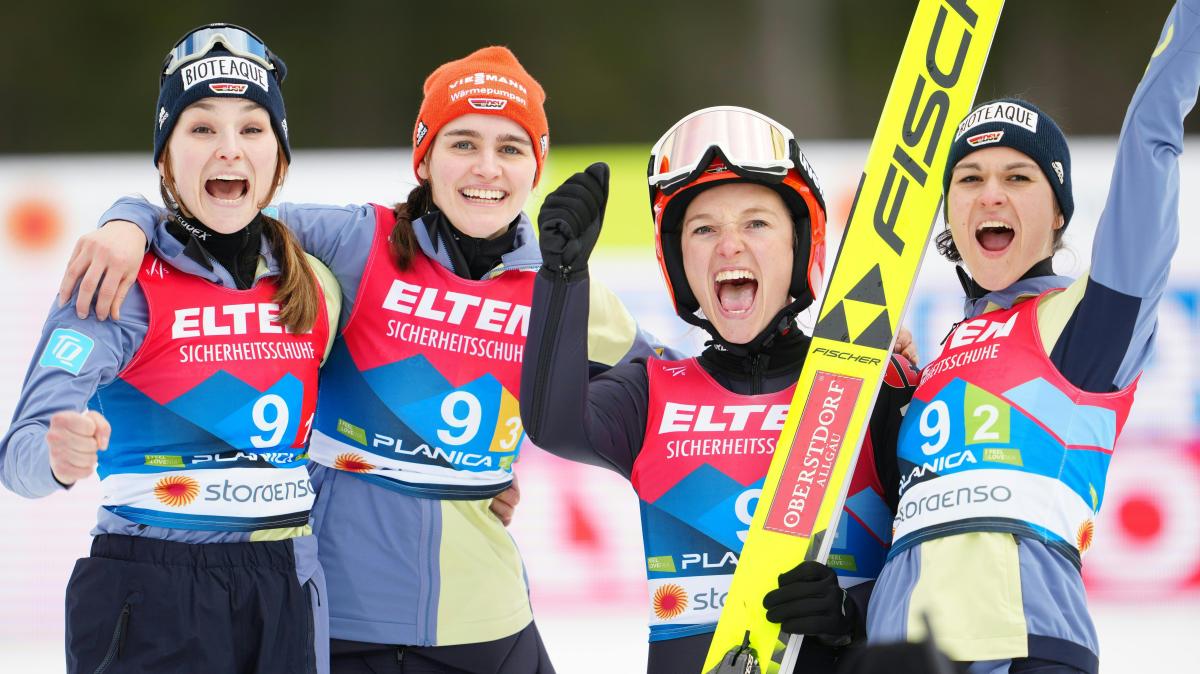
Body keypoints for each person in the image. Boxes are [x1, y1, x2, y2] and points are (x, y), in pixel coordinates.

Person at [60, 45, 665, 673]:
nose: (486, 168)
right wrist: (126, 220)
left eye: (510, 148)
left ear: (535, 167)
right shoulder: (357, 242)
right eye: (462, 143)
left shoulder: (560, 288)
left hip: (489, 621)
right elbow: (215, 214)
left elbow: (667, 390)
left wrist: (497, 458)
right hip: (339, 623)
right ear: (424, 158)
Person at [520, 106, 918, 673]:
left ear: (799, 248)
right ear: (680, 264)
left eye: (756, 223)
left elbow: (947, 573)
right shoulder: (651, 394)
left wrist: (851, 620)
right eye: (704, 229)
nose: (729, 245)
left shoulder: (873, 390)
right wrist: (562, 280)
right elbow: (552, 423)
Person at [867, 3, 1199, 672]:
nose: (991, 195)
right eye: (969, 179)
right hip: (898, 655)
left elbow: (1149, 145)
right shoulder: (929, 366)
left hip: (1027, 649)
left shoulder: (1088, 321)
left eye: (1019, 178)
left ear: (1056, 216)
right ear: (950, 217)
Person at [0, 24, 338, 673]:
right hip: (152, 593)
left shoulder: (317, 272)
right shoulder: (117, 281)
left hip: (288, 583)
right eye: (202, 128)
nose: (229, 150)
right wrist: (58, 457)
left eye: (252, 128)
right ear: (165, 156)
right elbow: (19, 457)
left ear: (280, 155)